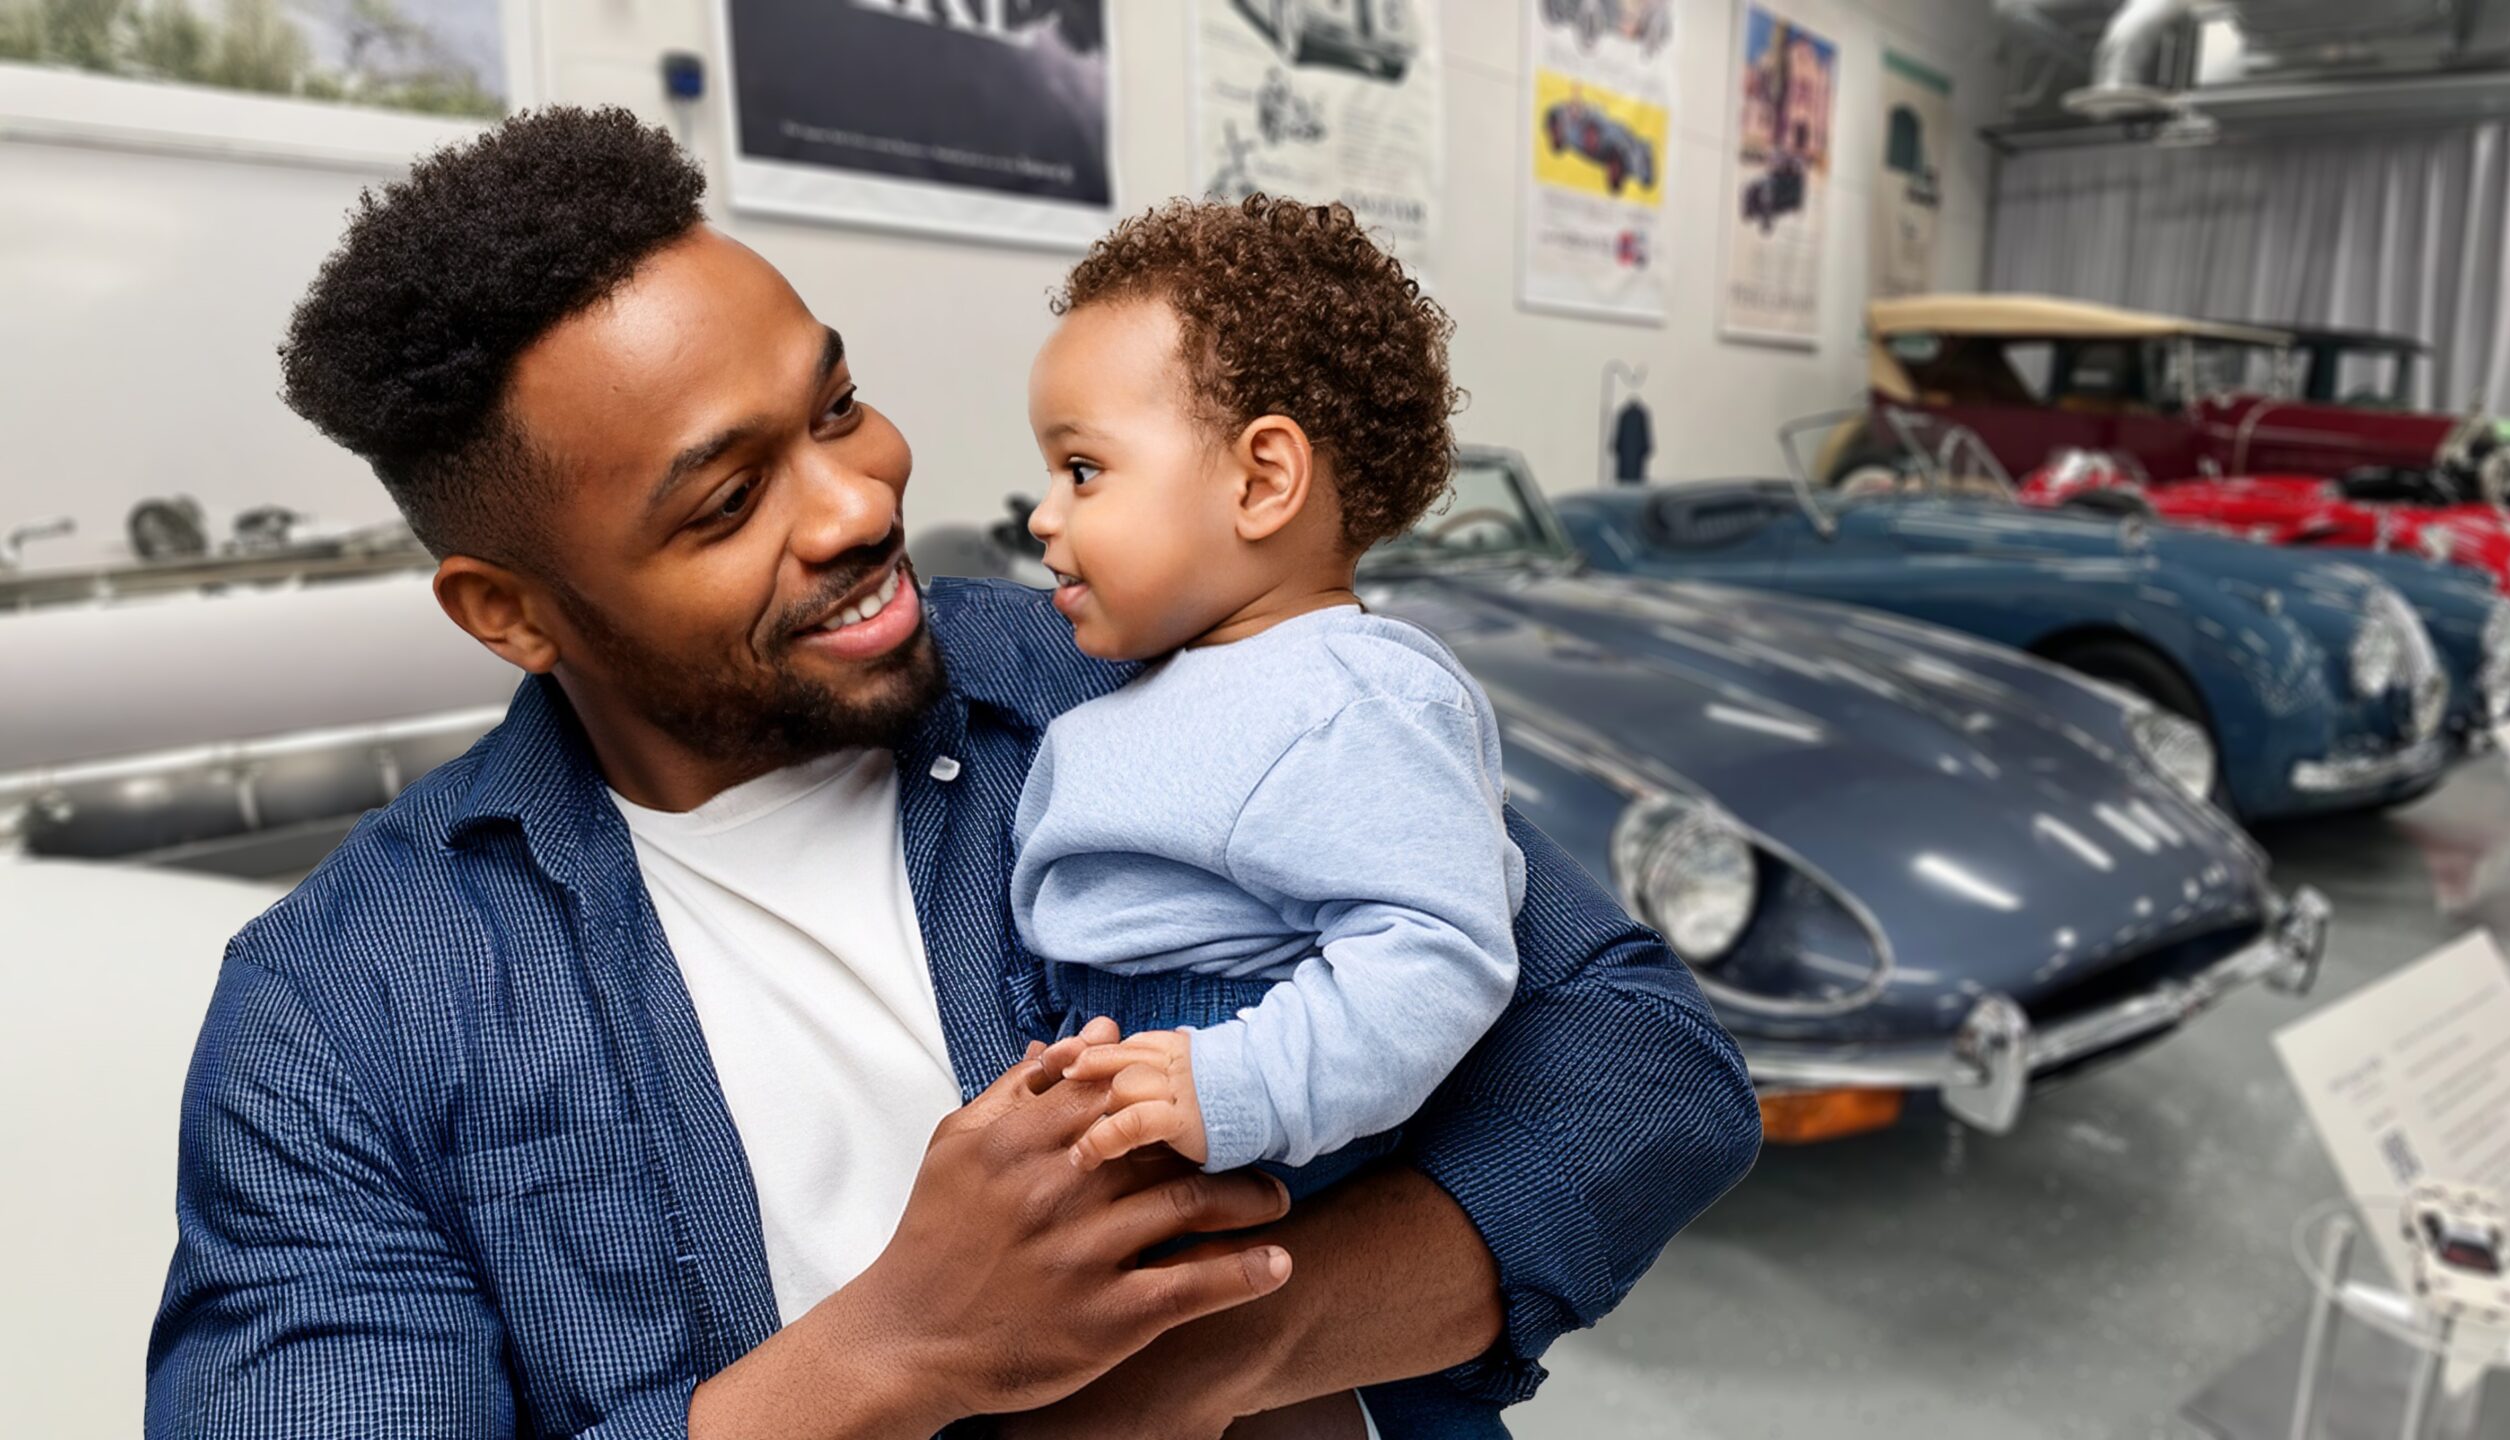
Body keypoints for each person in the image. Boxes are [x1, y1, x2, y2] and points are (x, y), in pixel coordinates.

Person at [144, 107, 1761, 1438]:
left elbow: (1642, 1057)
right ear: (511, 614)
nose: (855, 501)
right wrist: (896, 1352)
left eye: (836, 405)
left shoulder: (1142, 673)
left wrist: (1206, 1364)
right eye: (725, 504)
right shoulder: (343, 1014)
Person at [1010, 196, 1522, 1205]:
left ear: (1261, 481)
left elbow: (1438, 955)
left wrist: (1234, 1085)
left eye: (1082, 470)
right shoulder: (1136, 690)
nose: (1042, 515)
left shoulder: (1351, 694)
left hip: (1245, 1096)